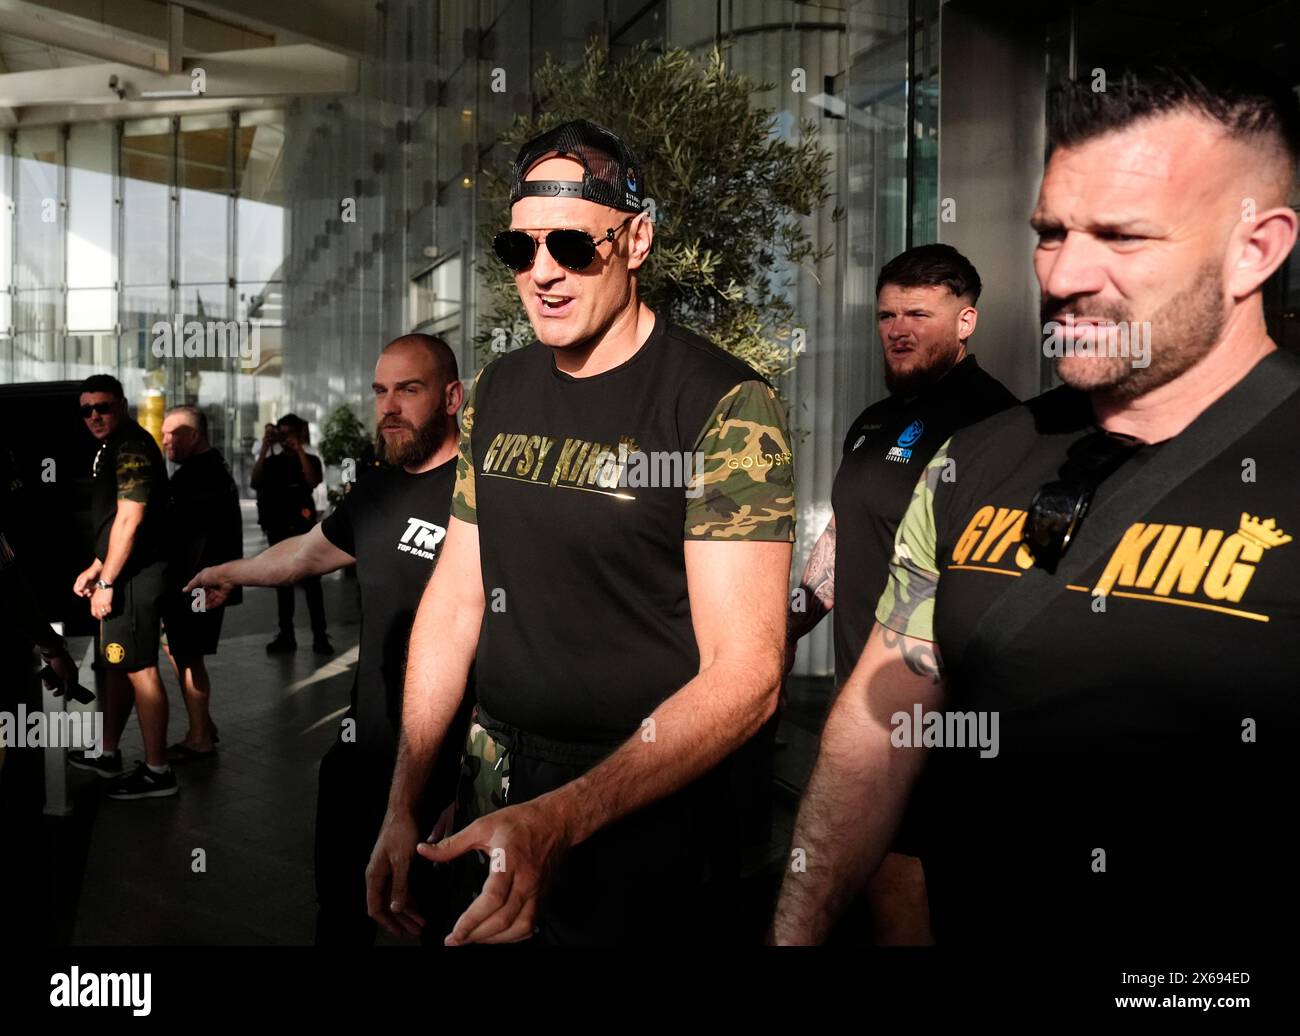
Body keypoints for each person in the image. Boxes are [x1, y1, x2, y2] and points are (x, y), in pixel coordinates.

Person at [770, 63, 1300, 945]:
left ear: (1257, 248)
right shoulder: (978, 456)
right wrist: (795, 930)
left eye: (1122, 237)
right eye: (1050, 232)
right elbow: (881, 727)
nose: (1065, 275)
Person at [366, 119, 796, 945]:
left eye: (571, 245)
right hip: (494, 793)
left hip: (646, 815)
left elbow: (748, 675)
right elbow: (456, 601)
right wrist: (403, 802)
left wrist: (563, 818)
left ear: (636, 240)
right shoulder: (498, 390)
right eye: (520, 249)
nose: (544, 273)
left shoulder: (721, 404)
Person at [188, 334, 466, 945]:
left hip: (441, 776)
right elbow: (308, 552)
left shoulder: (479, 497)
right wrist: (226, 573)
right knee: (340, 920)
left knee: (425, 928)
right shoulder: (378, 488)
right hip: (360, 756)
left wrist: (473, 790)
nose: (389, 406)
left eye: (409, 390)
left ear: (452, 397)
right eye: (380, 391)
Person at [785, 244, 1017, 943]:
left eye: (919, 312)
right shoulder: (872, 423)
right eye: (887, 314)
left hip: (934, 720)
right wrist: (776, 632)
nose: (898, 328)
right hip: (859, 705)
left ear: (967, 320)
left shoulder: (997, 428)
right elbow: (842, 547)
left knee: (902, 888)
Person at [69, 374, 177, 800]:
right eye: (87, 410)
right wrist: (98, 564)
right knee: (118, 664)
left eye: (104, 407)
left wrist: (109, 580)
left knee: (139, 669)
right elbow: (118, 520)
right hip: (122, 572)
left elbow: (133, 519)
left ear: (123, 405)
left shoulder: (130, 446)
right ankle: (109, 753)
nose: (95, 415)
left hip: (135, 577)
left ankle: (158, 771)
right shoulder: (113, 447)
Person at [160, 405, 243, 759]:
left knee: (189, 655)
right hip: (199, 582)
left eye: (173, 434)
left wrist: (199, 586)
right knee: (179, 649)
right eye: (163, 434)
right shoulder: (208, 467)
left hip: (198, 585)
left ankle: (200, 739)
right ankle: (202, 724)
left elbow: (196, 539)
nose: (165, 441)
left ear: (194, 435)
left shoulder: (199, 476)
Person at [251, 413, 331, 656]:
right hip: (277, 525)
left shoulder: (310, 459)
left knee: (311, 582)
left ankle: (320, 636)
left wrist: (298, 450)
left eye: (289, 434)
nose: (284, 439)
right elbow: (255, 481)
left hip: (302, 526)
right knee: (282, 581)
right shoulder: (271, 460)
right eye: (281, 433)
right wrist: (265, 447)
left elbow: (314, 480)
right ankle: (286, 634)